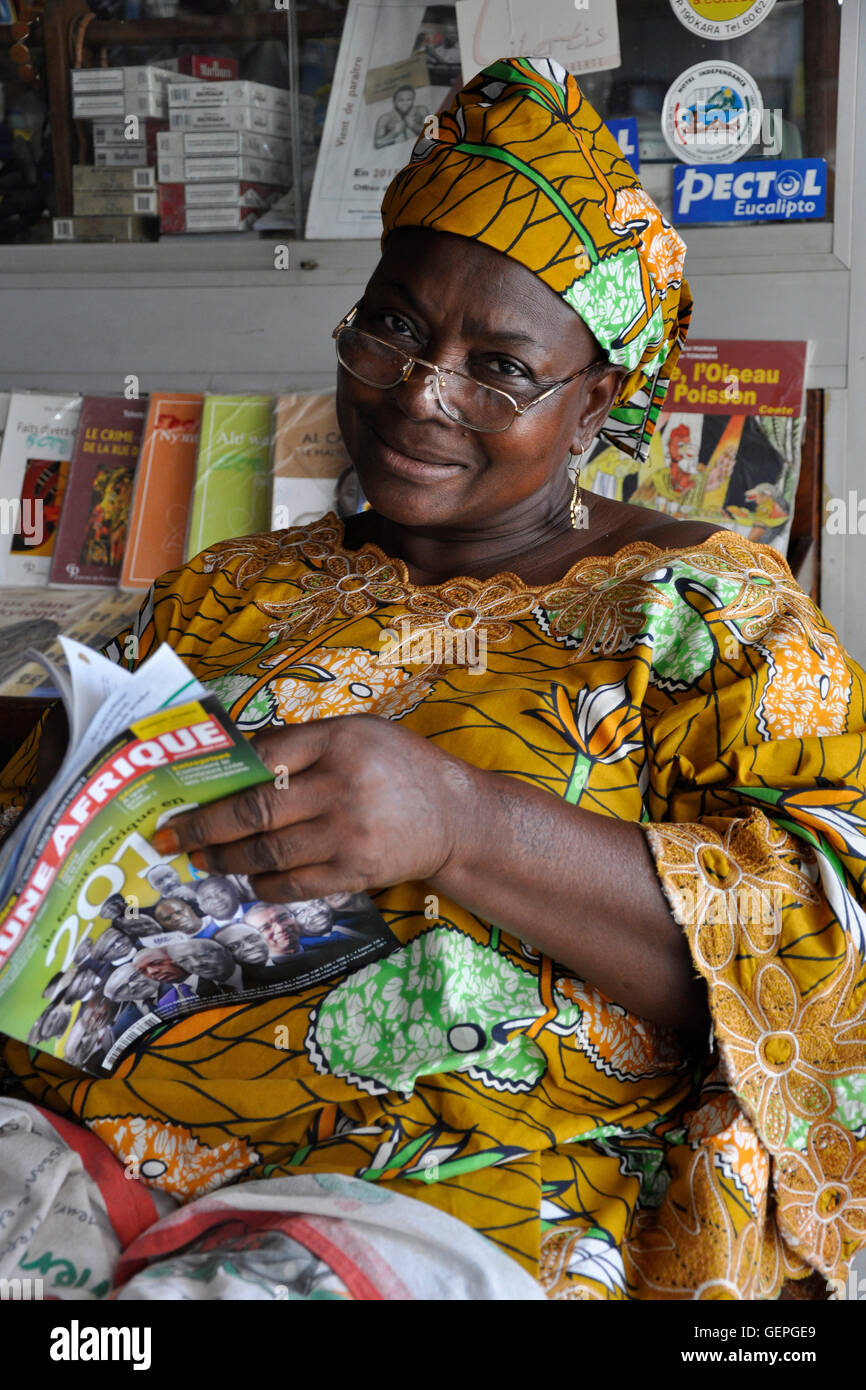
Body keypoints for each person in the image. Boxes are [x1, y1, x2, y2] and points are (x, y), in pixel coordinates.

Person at [1, 56, 865, 1301]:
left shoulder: (706, 614)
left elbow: (834, 963)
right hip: (88, 1140)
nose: (422, 389)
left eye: (498, 366)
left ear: (593, 406)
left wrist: (464, 824)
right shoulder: (233, 591)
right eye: (394, 325)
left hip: (447, 1195)